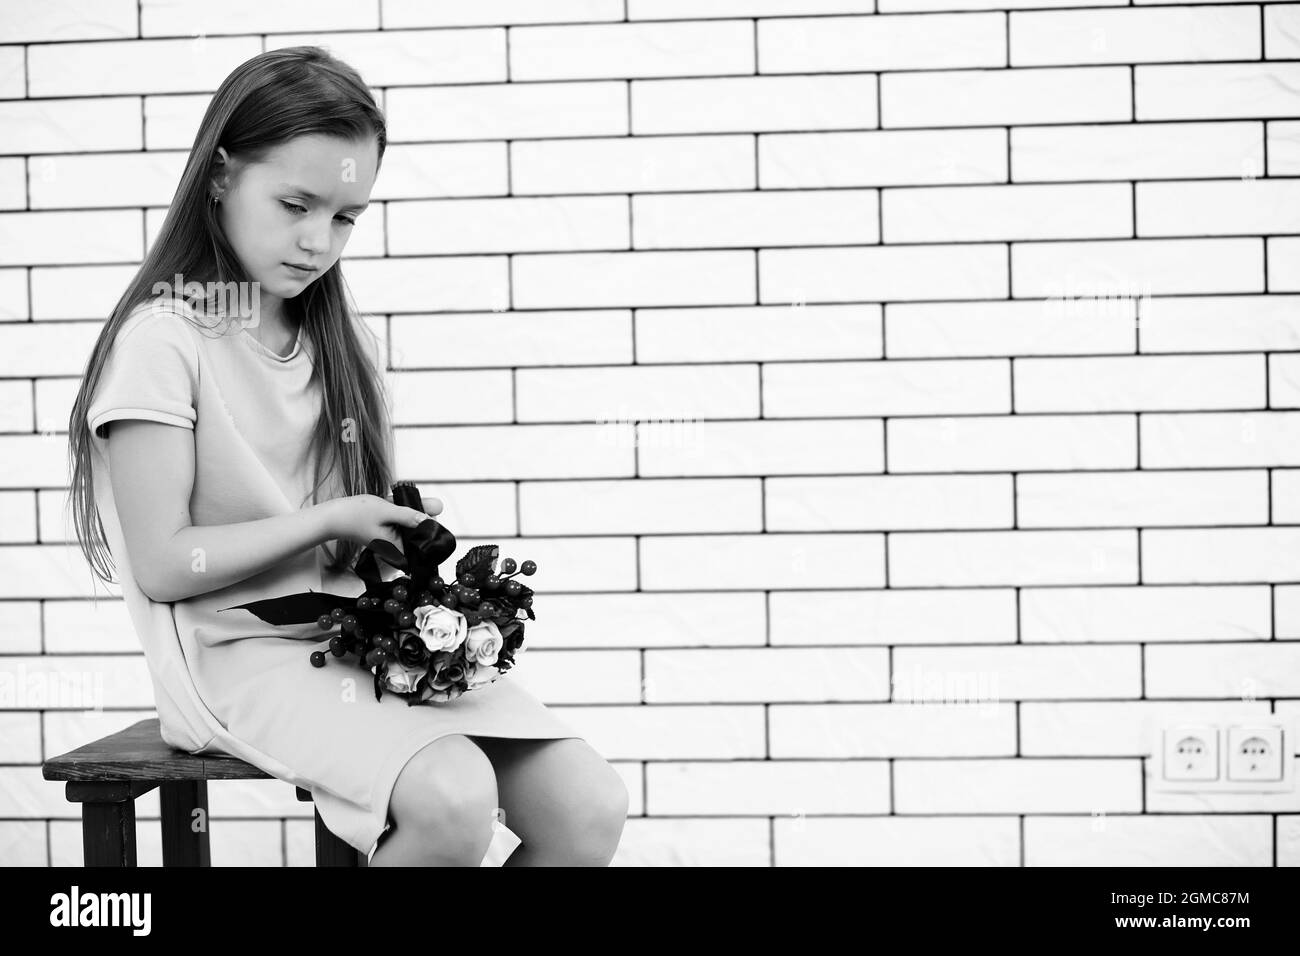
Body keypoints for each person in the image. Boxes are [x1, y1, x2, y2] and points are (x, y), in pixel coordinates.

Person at [65, 46, 628, 867]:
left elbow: (341, 541)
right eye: (295, 203)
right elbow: (160, 563)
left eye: (344, 217)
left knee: (589, 805)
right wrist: (329, 517)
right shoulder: (164, 341)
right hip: (236, 657)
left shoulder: (333, 338)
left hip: (353, 633)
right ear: (220, 175)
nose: (317, 241)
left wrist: (391, 538)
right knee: (452, 795)